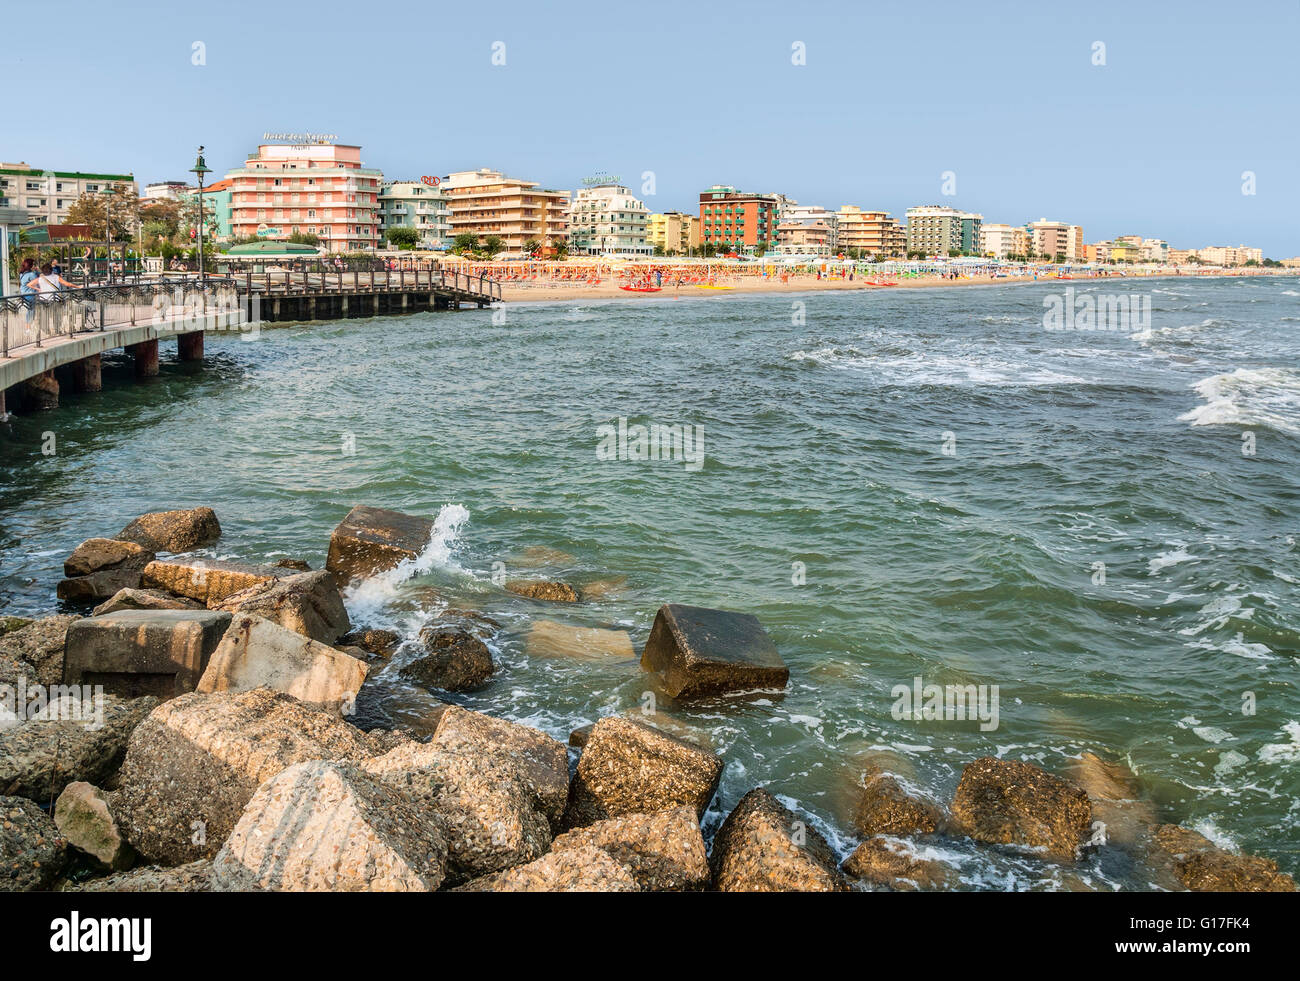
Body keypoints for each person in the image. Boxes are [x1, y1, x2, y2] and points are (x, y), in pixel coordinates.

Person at [19, 258, 39, 322]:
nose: (34, 266)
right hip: (30, 294)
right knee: (31, 310)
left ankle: (28, 327)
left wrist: (35, 271)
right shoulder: (31, 274)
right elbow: (37, 281)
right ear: (30, 265)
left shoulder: (22, 273)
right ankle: (30, 326)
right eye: (33, 264)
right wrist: (37, 272)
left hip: (23, 294)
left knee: (29, 310)